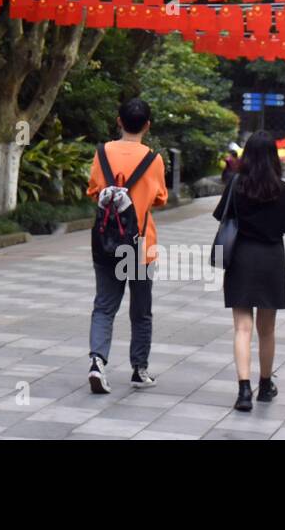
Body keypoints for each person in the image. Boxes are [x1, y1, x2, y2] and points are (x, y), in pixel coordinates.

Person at [86, 97, 169, 395]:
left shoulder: (102, 153)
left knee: (104, 305)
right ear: (147, 125)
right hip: (139, 244)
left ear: (118, 121)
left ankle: (97, 361)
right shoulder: (154, 159)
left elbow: (94, 190)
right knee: (141, 309)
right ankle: (139, 369)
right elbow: (160, 198)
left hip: (105, 241)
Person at [211, 131, 285, 412]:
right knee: (267, 330)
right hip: (272, 259)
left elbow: (220, 216)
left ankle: (243, 390)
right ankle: (265, 385)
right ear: (274, 157)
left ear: (247, 156)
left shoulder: (236, 185)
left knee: (242, 327)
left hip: (241, 257)